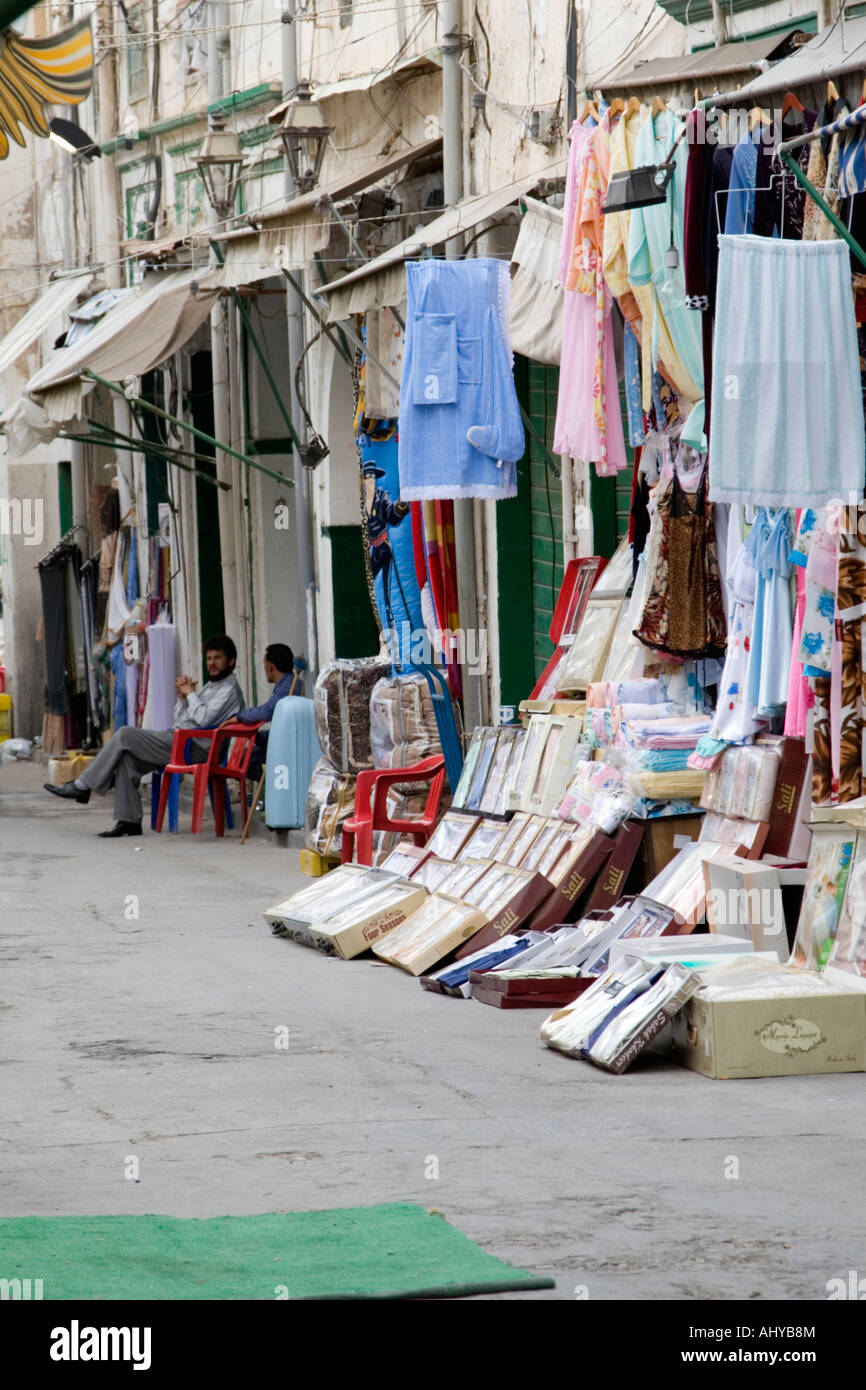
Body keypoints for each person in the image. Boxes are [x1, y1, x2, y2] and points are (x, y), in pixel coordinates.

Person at [44, 635, 244, 838]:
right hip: (179, 740)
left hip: (196, 749)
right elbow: (181, 718)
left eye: (217, 658)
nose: (212, 663)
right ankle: (129, 821)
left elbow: (203, 719)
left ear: (231, 661)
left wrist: (191, 694)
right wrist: (183, 697)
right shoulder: (212, 686)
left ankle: (82, 785)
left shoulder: (228, 690)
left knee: (125, 734)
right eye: (209, 659)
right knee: (127, 759)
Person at [230, 642, 296, 784]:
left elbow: (266, 711)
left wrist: (239, 718)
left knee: (244, 761)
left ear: (270, 666)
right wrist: (258, 737)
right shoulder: (286, 685)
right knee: (242, 756)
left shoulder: (289, 686)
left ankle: (282, 786)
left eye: (265, 665)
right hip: (284, 740)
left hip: (290, 747)